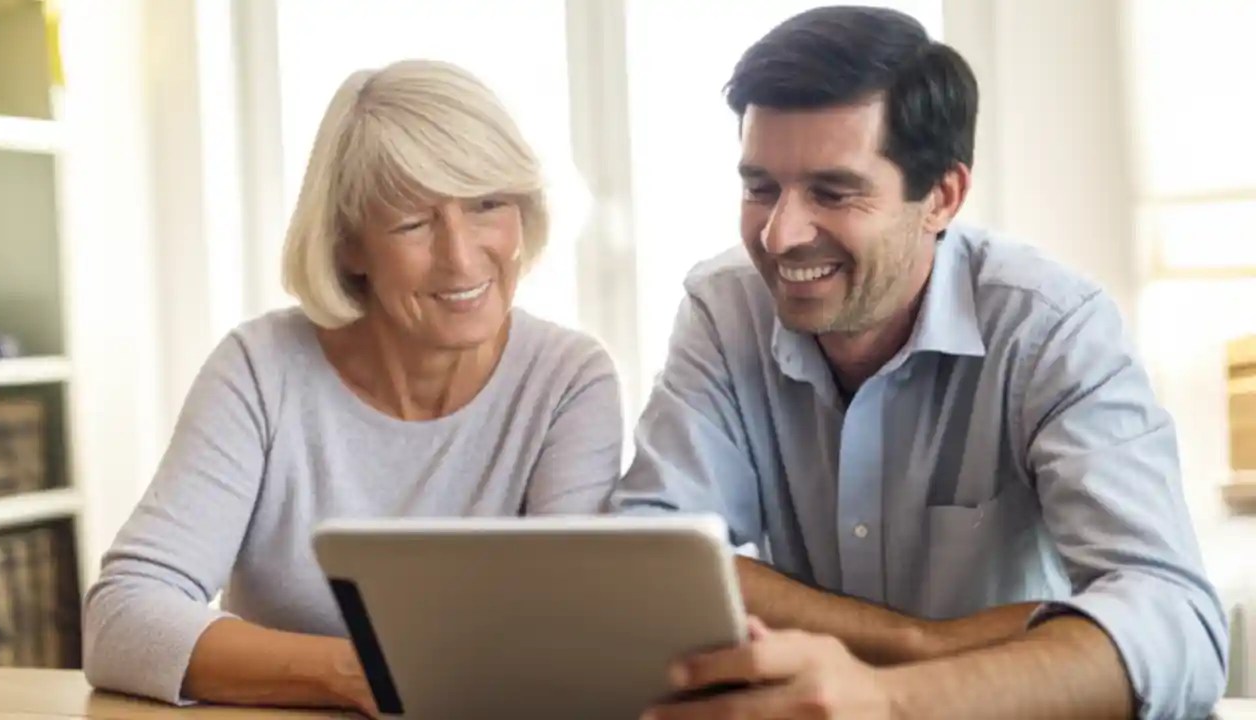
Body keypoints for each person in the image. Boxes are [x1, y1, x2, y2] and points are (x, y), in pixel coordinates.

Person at [613, 6, 1227, 719]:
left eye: (832, 192)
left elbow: (1176, 623)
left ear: (942, 197)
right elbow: (649, 564)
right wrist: (921, 642)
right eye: (761, 188)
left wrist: (889, 698)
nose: (780, 235)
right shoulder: (724, 309)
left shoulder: (1052, 327)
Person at [84, 59, 623, 716]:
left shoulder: (569, 380)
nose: (460, 256)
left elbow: (572, 639)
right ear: (348, 246)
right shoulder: (260, 370)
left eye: (487, 205)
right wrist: (360, 673)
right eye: (413, 223)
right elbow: (122, 619)